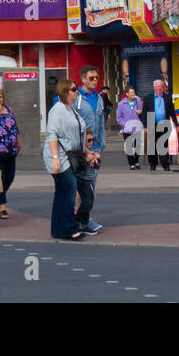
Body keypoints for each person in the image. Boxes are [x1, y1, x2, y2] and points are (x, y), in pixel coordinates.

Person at [44, 78, 87, 240]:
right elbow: (52, 133)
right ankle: (68, 229)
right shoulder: (58, 110)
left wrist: (87, 150)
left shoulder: (71, 109)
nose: (77, 92)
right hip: (60, 156)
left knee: (62, 192)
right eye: (74, 89)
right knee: (68, 191)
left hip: (70, 155)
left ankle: (58, 230)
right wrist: (55, 158)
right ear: (65, 92)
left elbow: (78, 133)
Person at [73, 66, 106, 234]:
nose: (95, 80)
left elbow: (101, 125)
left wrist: (100, 147)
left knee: (90, 185)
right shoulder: (76, 98)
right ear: (83, 79)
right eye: (91, 78)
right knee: (83, 186)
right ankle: (83, 219)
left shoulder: (99, 99)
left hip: (95, 149)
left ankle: (82, 217)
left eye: (97, 77)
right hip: (81, 151)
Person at [0, 86, 20, 220]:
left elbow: (14, 127)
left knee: (9, 178)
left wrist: (19, 143)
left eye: (0, 96)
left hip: (11, 149)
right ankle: (2, 207)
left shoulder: (8, 109)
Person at [141, 79, 176, 171]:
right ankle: (153, 164)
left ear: (163, 88)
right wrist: (145, 126)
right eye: (157, 87)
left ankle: (165, 165)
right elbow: (144, 113)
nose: (159, 89)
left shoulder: (168, 98)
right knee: (152, 146)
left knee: (164, 145)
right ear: (154, 88)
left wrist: (176, 124)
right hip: (152, 124)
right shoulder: (148, 98)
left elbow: (172, 112)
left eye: (160, 87)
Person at [116, 85, 144, 169]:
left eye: (134, 92)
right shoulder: (121, 104)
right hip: (127, 129)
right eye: (132, 92)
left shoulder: (137, 101)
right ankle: (131, 163)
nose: (133, 94)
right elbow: (119, 118)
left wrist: (141, 112)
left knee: (137, 146)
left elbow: (142, 111)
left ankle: (136, 161)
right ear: (127, 94)